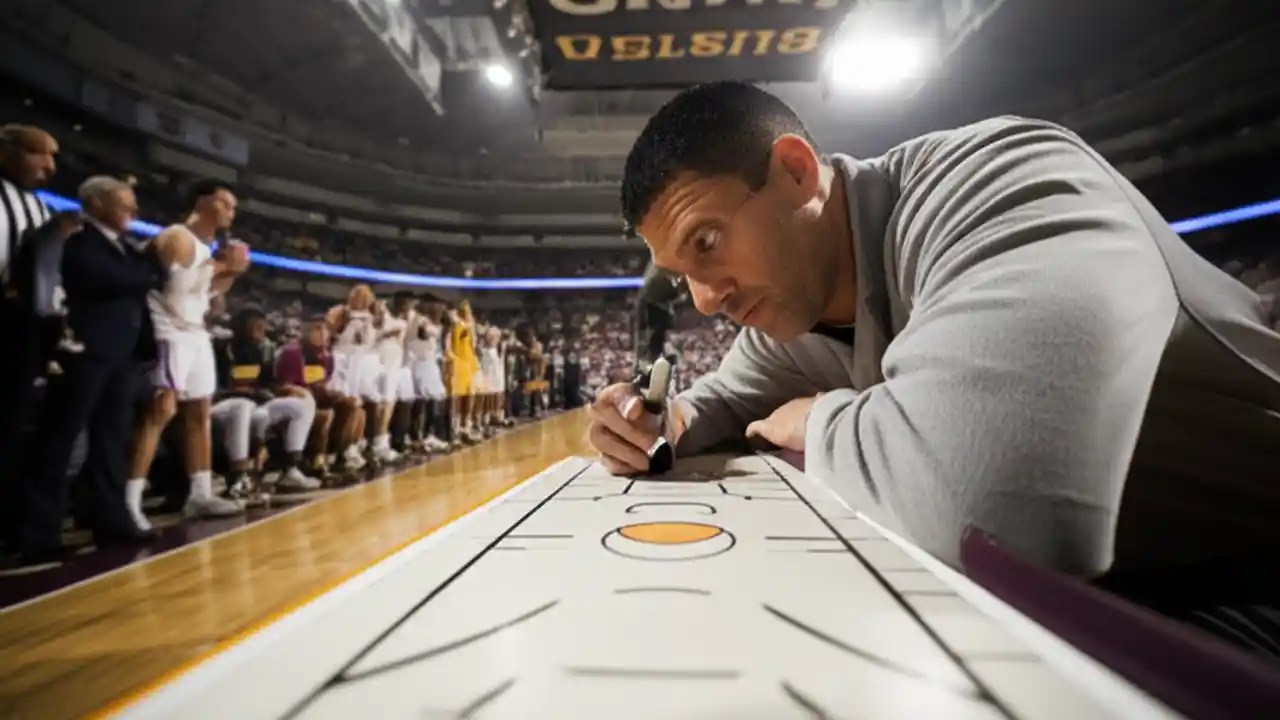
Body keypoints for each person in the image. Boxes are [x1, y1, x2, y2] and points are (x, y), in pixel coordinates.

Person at [587, 82, 1280, 615]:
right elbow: (719, 399)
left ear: (796, 171)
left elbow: (996, 511)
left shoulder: (1001, 181)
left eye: (708, 243)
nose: (705, 299)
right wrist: (661, 420)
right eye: (683, 275)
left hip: (1245, 586)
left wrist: (820, 419)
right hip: (1128, 591)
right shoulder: (789, 311)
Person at [18, 176, 158, 563]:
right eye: (124, 202)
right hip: (83, 352)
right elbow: (113, 279)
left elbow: (140, 282)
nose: (134, 210)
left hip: (119, 356)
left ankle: (110, 521)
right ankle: (38, 533)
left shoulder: (123, 247)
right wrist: (142, 276)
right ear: (96, 204)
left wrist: (140, 279)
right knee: (60, 440)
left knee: (112, 441)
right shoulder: (77, 240)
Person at [128, 180, 249, 520]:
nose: (231, 212)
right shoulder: (177, 237)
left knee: (200, 414)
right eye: (226, 204)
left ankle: (200, 493)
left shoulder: (208, 249)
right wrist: (224, 266)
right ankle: (130, 500)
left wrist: (231, 273)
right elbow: (176, 288)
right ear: (204, 201)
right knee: (160, 412)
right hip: (169, 331)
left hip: (196, 333)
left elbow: (211, 299)